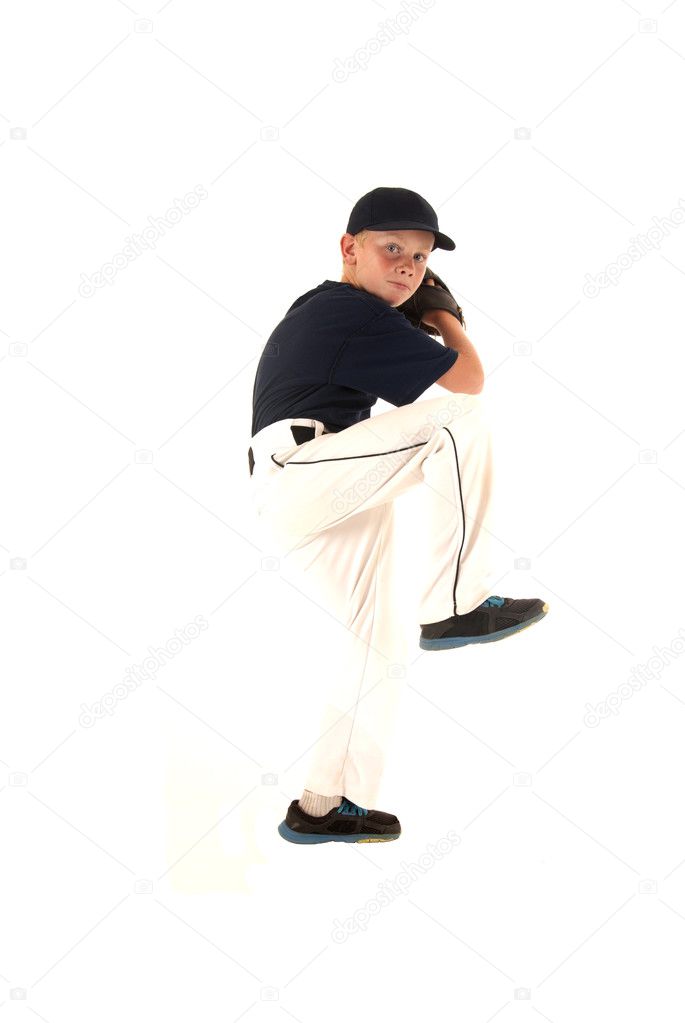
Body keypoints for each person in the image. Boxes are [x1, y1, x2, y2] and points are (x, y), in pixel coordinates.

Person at [247, 186, 548, 845]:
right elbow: (465, 382)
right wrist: (444, 315)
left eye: (418, 257)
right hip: (300, 467)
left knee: (375, 640)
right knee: (454, 421)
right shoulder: (341, 307)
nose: (408, 266)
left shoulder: (361, 314)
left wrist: (423, 312)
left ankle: (324, 804)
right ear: (348, 249)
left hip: (324, 481)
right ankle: (454, 602)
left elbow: (421, 380)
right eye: (391, 249)